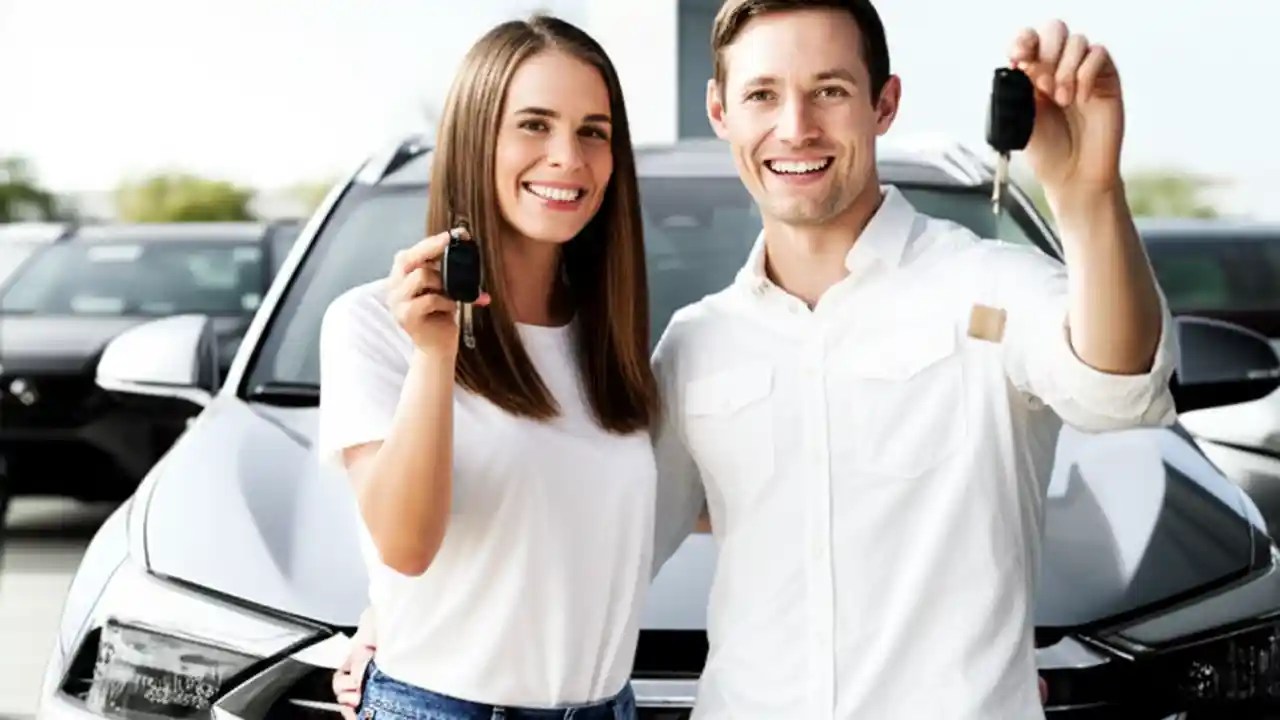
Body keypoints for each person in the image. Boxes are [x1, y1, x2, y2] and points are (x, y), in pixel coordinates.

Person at [335, 1, 1174, 718]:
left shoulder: (986, 289)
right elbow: (588, 526)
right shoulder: (693, 346)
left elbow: (1116, 389)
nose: (796, 127)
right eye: (764, 94)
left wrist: (1088, 196)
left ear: (884, 104)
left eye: (830, 93)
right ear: (719, 111)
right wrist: (395, 619)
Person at [317, 14, 658, 720]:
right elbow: (407, 548)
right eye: (534, 124)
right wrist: (435, 354)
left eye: (593, 131)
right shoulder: (373, 326)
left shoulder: (614, 342)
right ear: (476, 140)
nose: (568, 156)